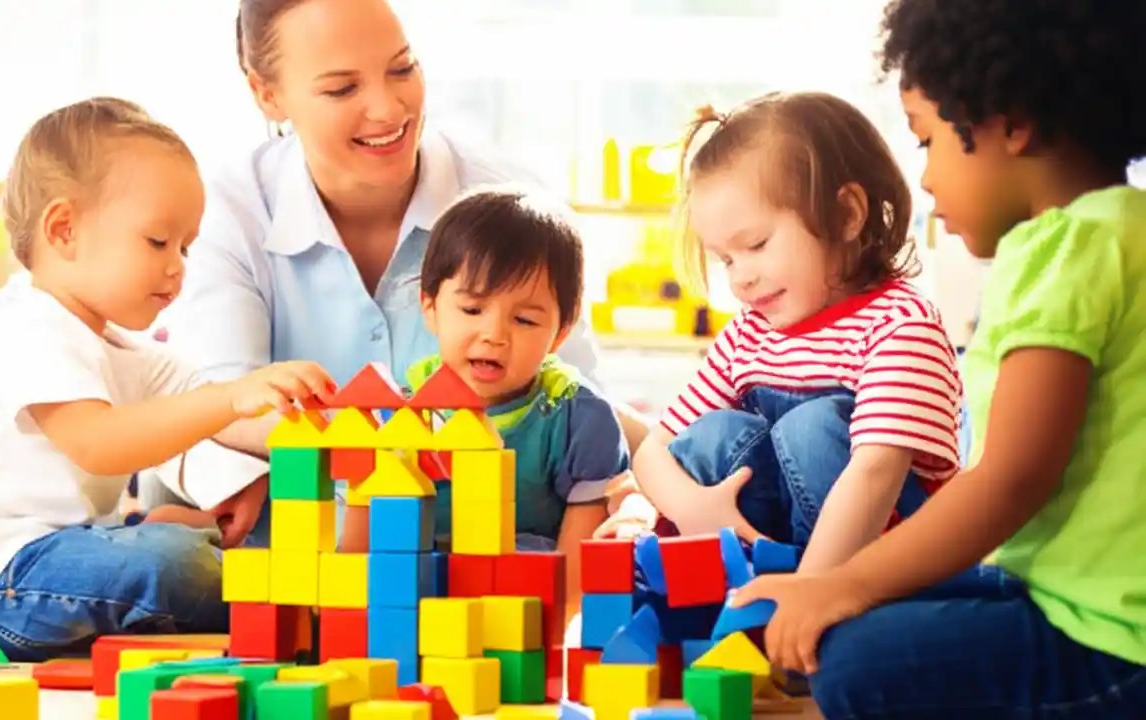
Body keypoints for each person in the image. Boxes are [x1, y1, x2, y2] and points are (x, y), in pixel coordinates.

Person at [732, 2, 1146, 717]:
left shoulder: (1063, 251)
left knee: (856, 659)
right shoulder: (1125, 230)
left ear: (1010, 122)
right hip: (1068, 593)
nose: (924, 180)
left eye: (928, 141)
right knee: (867, 609)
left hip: (1109, 637)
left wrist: (843, 583)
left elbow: (1011, 480)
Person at [153, 0, 649, 543]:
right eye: (342, 88)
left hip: (491, 553)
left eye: (402, 68)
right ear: (267, 94)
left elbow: (574, 402)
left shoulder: (508, 201)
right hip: (297, 551)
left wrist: (644, 491)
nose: (388, 109)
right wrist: (379, 446)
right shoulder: (226, 212)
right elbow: (218, 403)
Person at [0, 97, 332, 661]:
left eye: (186, 247)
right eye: (157, 242)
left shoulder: (123, 349)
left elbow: (214, 415)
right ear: (65, 229)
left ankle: (217, 573)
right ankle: (276, 604)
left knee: (181, 549)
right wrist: (231, 397)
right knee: (173, 562)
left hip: (49, 560)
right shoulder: (31, 329)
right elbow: (103, 443)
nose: (177, 266)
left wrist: (326, 432)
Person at [632, 92, 962, 574]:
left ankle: (806, 604)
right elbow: (652, 452)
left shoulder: (899, 325)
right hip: (774, 550)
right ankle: (713, 587)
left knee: (813, 425)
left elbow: (874, 474)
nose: (740, 277)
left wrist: (809, 599)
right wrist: (693, 508)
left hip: (884, 561)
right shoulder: (750, 333)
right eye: (726, 258)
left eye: (757, 244)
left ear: (847, 215)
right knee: (718, 432)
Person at [400, 186, 636, 616]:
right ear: (430, 308)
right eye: (472, 310)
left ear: (560, 333)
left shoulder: (579, 419)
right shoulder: (407, 412)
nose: (494, 334)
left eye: (525, 319)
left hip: (527, 607)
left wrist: (550, 645)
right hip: (425, 606)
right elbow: (371, 545)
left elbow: (575, 569)